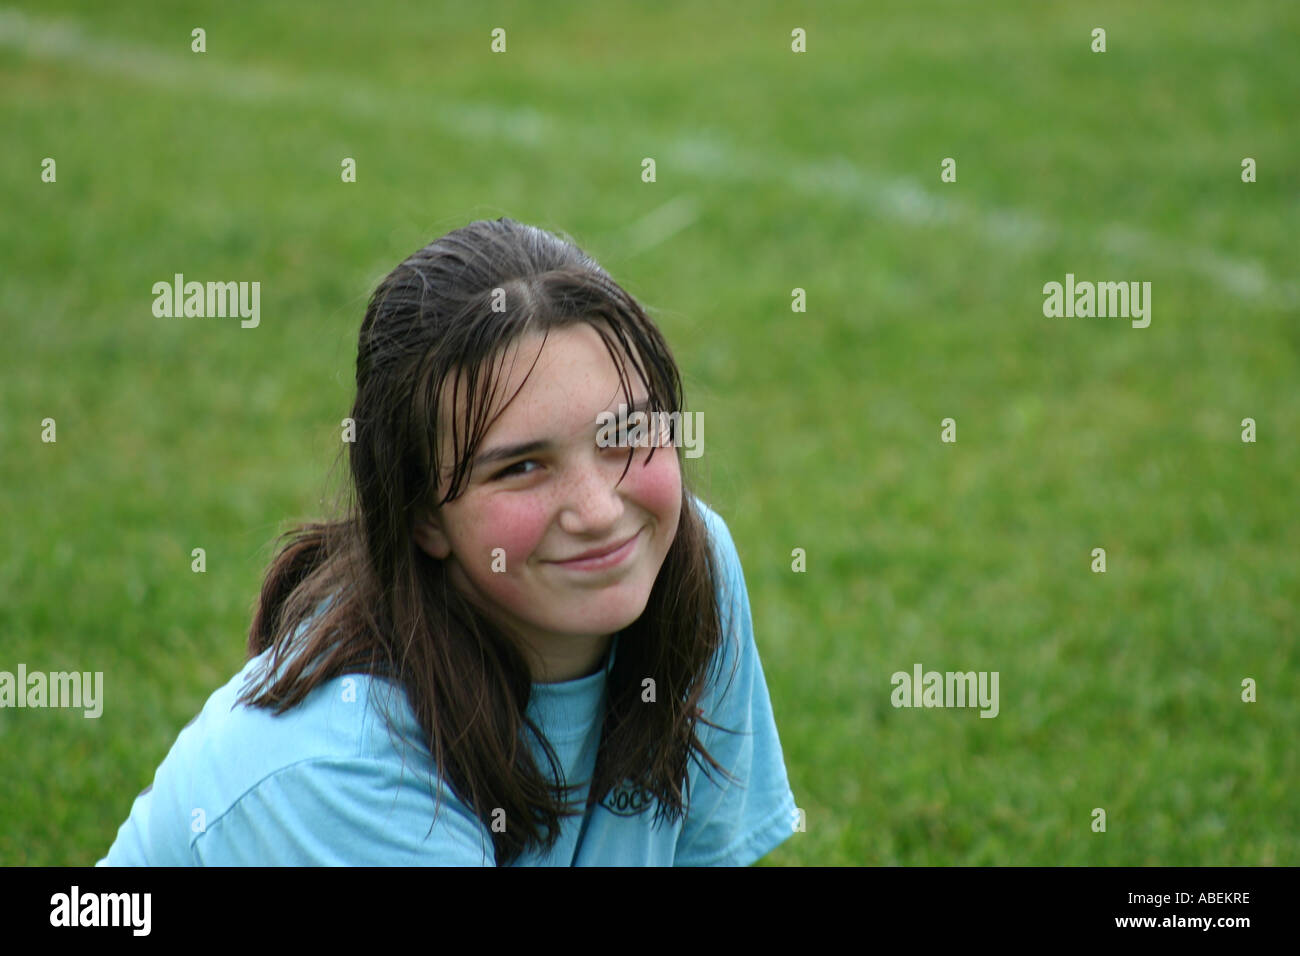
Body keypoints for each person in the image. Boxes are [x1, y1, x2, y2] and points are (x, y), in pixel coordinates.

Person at [97, 217, 797, 866]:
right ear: (422, 515)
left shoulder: (678, 560)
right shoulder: (343, 763)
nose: (599, 511)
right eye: (522, 467)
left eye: (626, 435)